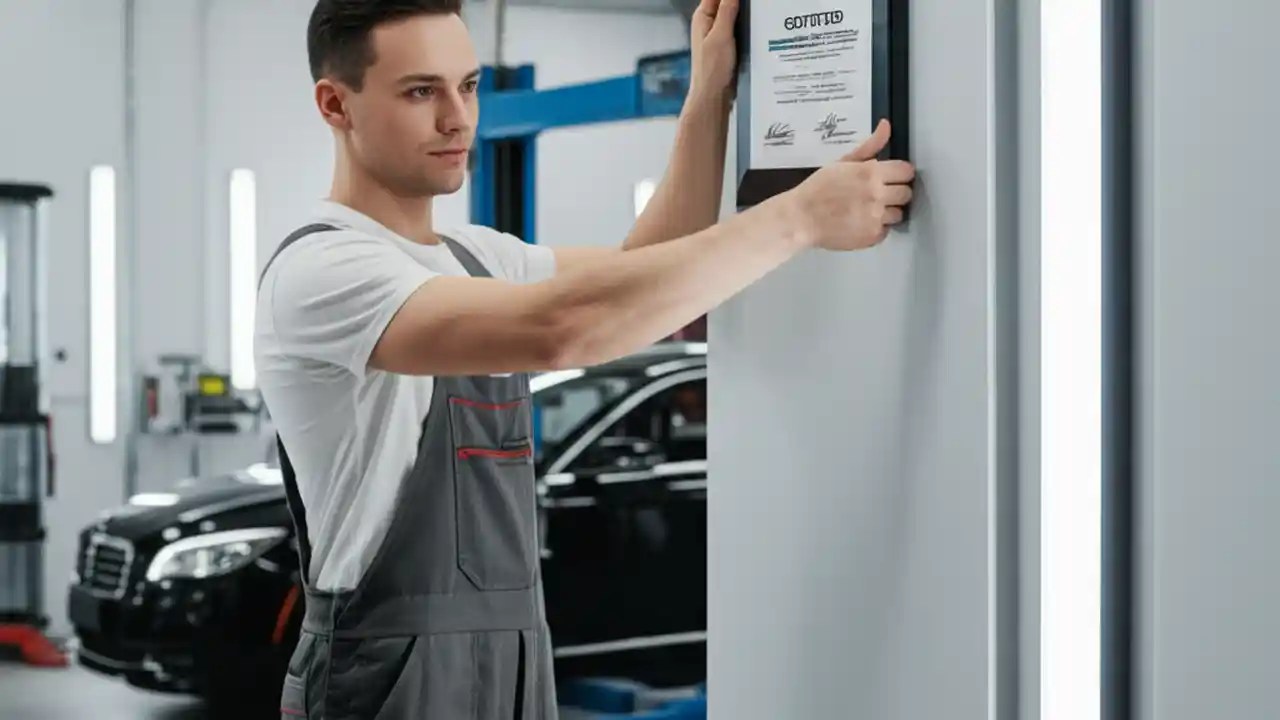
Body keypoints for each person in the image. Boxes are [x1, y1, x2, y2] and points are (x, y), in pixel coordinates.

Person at [256, 0, 915, 717]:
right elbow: (563, 328)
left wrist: (710, 98)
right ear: (335, 104)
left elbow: (650, 269)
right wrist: (800, 216)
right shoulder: (323, 270)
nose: (457, 118)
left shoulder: (479, 258)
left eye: (469, 86)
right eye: (422, 91)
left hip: (512, 658)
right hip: (385, 676)